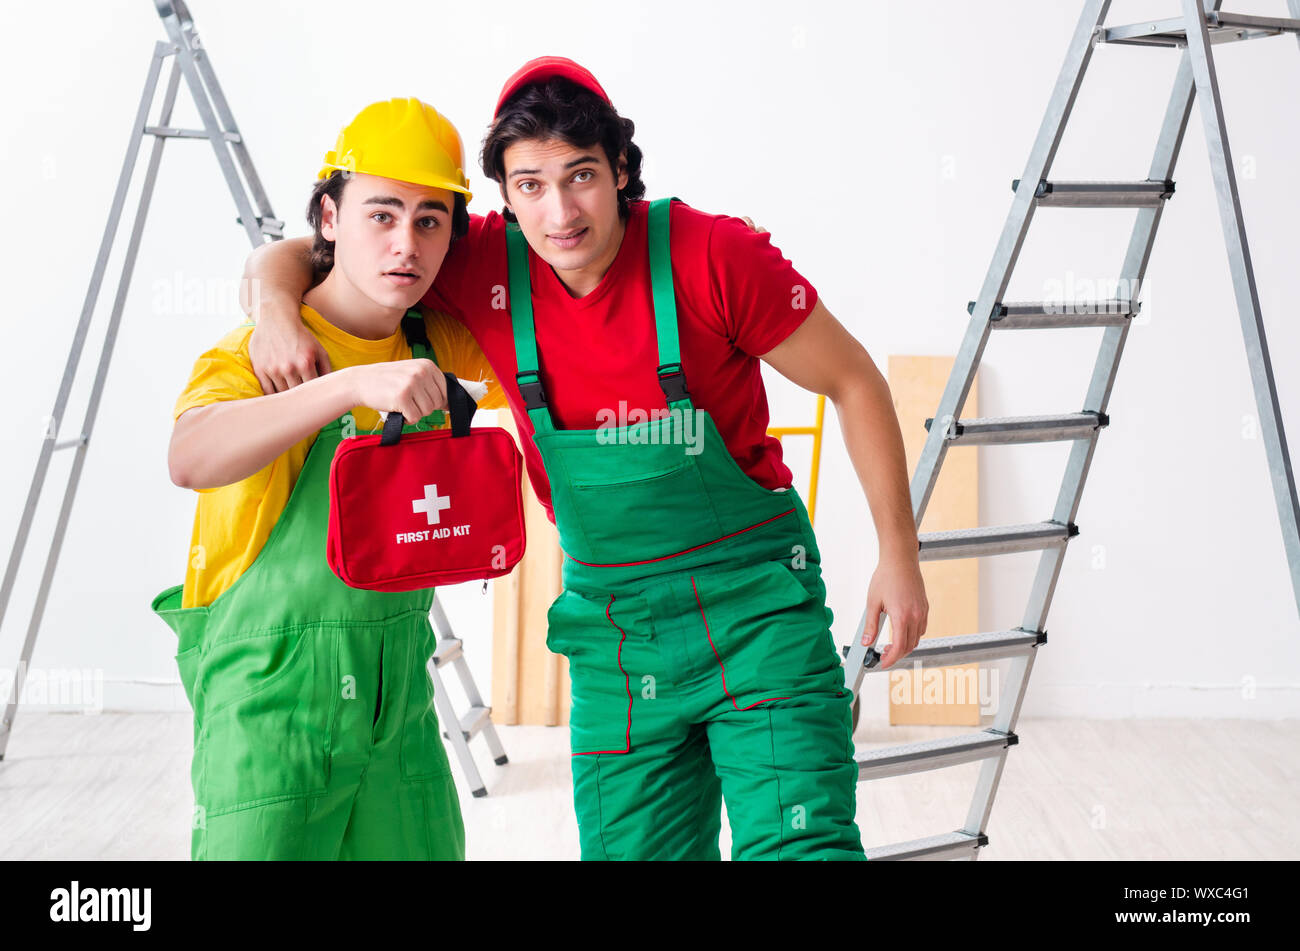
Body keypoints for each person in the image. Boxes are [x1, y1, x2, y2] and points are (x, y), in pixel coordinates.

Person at [239, 59, 929, 861]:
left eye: (581, 177)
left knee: (802, 849)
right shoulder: (480, 263)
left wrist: (899, 554)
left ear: (622, 169)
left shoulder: (713, 255)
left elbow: (853, 379)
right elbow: (319, 250)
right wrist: (273, 307)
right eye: (529, 185)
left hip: (758, 614)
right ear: (502, 193)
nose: (559, 211)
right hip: (615, 636)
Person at [151, 97, 505, 860]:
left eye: (429, 220)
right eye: (380, 215)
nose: (405, 243)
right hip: (270, 708)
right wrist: (343, 389)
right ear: (329, 217)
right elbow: (190, 456)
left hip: (401, 710)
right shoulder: (263, 350)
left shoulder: (440, 341)